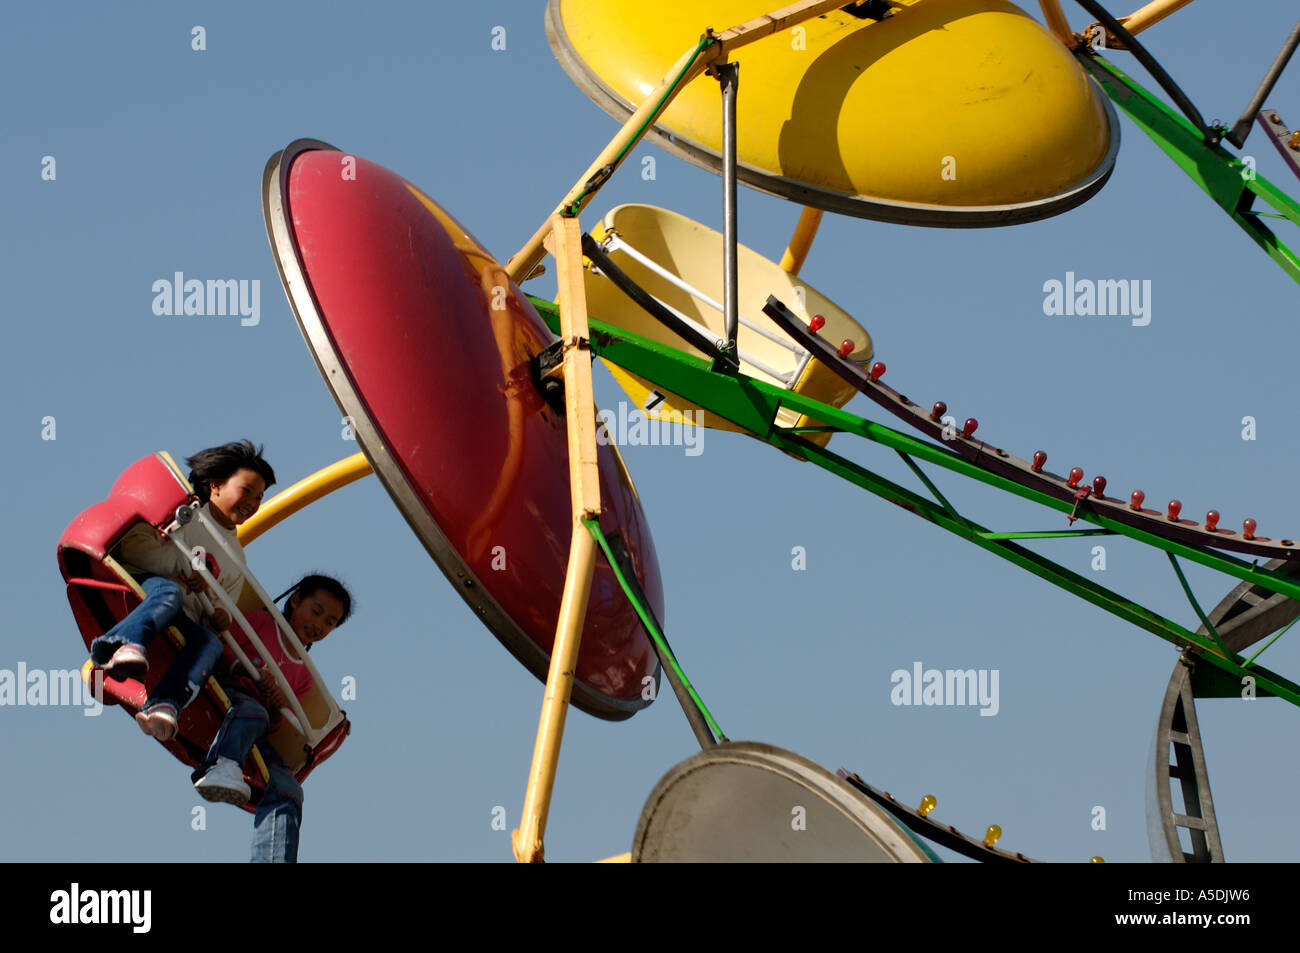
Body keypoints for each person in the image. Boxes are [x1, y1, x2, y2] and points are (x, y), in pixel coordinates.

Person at [89, 440, 276, 742]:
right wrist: (182, 571)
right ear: (216, 485)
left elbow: (218, 601)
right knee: (170, 594)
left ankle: (164, 703)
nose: (252, 503)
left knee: (211, 644)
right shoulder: (186, 513)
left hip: (181, 615)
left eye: (259, 497)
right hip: (147, 587)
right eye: (246, 491)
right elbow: (135, 546)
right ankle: (118, 645)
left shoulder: (237, 556)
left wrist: (218, 616)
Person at [191, 574, 353, 863]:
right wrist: (248, 669)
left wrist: (277, 705)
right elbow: (219, 648)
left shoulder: (303, 675)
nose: (318, 625)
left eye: (329, 623)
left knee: (289, 789)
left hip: (255, 723)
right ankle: (220, 764)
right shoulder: (261, 624)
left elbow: (277, 723)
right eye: (316, 612)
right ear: (295, 601)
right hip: (223, 694)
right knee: (253, 711)